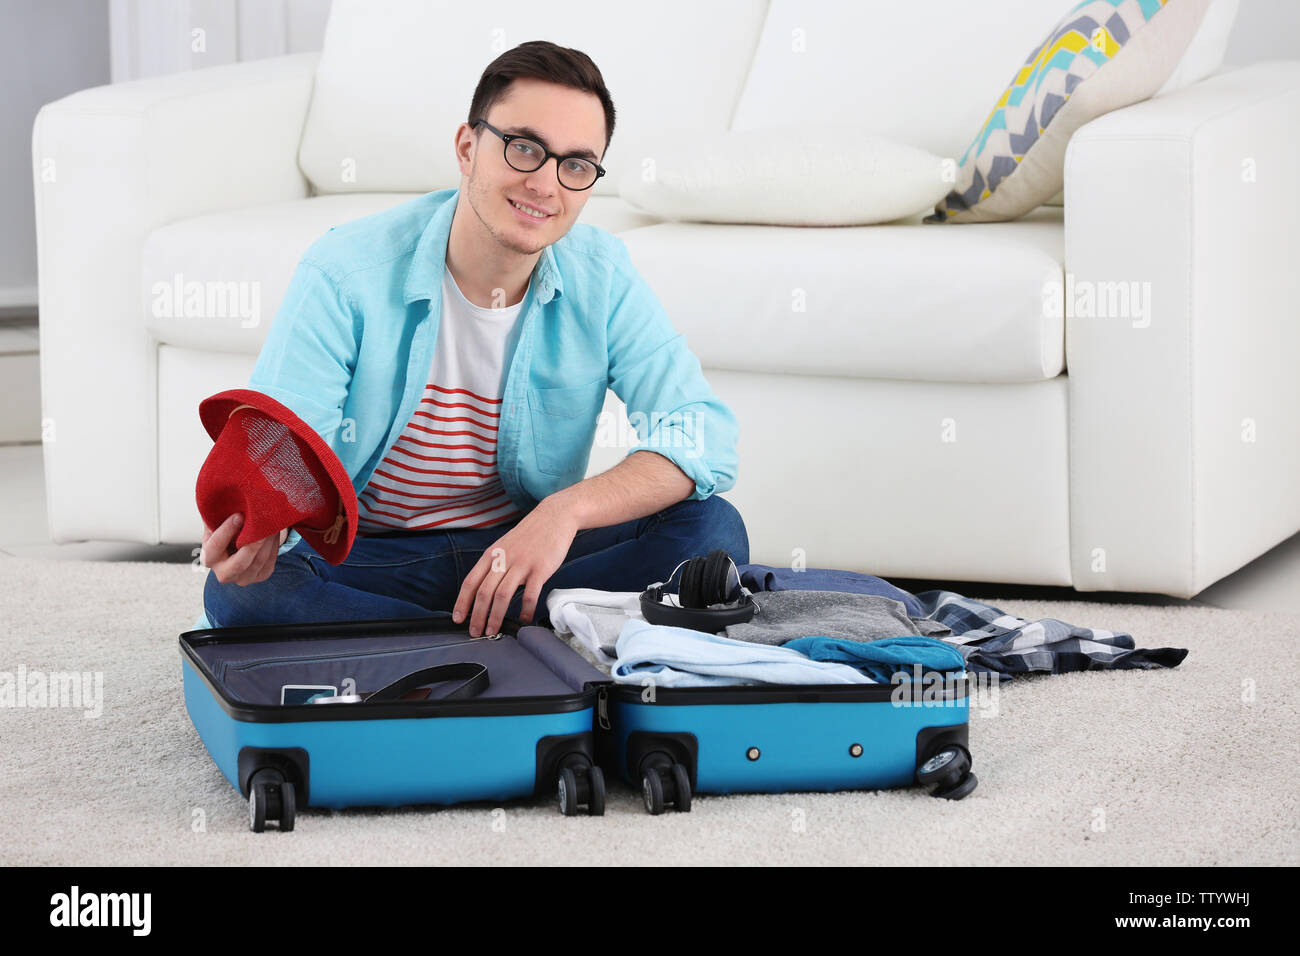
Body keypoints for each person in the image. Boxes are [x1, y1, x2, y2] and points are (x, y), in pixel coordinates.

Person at [199, 39, 748, 638]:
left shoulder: (603, 276)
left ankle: (415, 645)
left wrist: (566, 511)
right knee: (245, 600)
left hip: (525, 553)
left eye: (576, 164)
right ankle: (533, 639)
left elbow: (702, 431)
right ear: (468, 147)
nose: (546, 184)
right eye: (524, 149)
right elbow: (287, 445)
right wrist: (263, 526)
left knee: (712, 531)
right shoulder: (343, 272)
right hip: (375, 557)